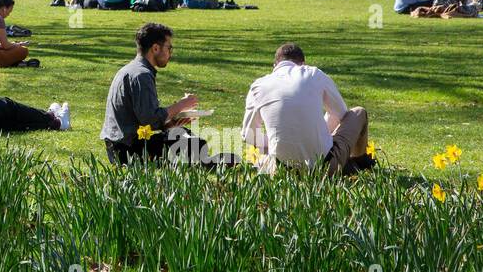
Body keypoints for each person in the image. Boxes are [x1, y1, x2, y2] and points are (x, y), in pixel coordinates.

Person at [101, 23, 229, 166]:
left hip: (119, 147)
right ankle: (211, 165)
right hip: (129, 152)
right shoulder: (141, 75)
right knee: (190, 143)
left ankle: (208, 162)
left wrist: (170, 123)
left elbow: (144, 119)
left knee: (182, 134)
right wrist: (181, 105)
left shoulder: (131, 70)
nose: (170, 53)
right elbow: (150, 120)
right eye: (169, 48)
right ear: (155, 48)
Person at [241, 42, 374, 176]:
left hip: (284, 171)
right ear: (303, 63)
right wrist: (321, 135)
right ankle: (359, 163)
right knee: (358, 112)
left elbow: (248, 135)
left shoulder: (258, 86)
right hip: (326, 165)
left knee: (261, 159)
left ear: (274, 66)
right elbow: (341, 114)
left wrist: (274, 145)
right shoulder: (313, 73)